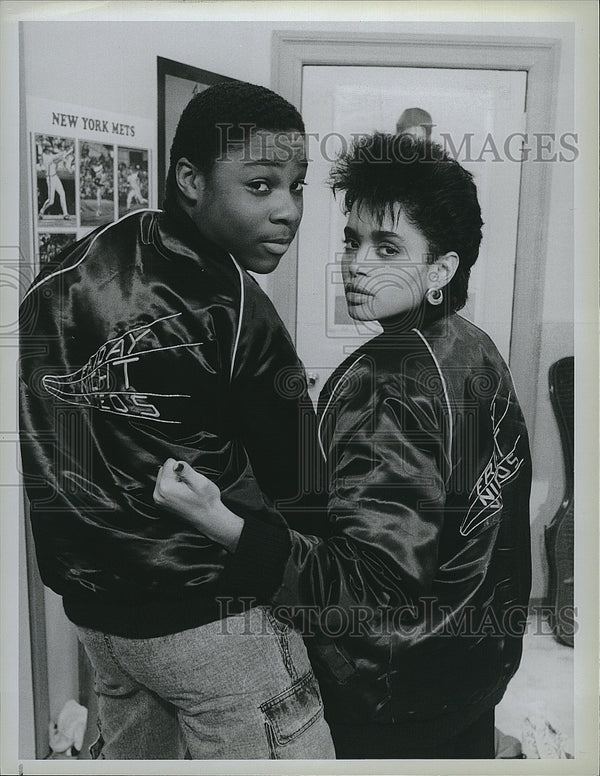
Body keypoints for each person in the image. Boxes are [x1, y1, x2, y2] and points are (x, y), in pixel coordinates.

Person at [154, 133, 533, 759]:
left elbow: (372, 592)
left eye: (387, 247)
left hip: (390, 700)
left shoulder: (385, 382)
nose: (357, 264)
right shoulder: (474, 346)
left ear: (441, 268)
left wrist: (222, 524)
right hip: (473, 671)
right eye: (351, 241)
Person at [19, 81, 335, 760]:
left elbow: (60, 450)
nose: (288, 211)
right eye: (260, 186)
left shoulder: (58, 278)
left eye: (298, 186)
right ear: (191, 179)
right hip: (211, 623)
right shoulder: (236, 306)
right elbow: (304, 487)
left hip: (100, 626)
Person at [38, 141, 73, 219]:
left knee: (62, 193)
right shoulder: (45, 157)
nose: (50, 149)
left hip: (55, 176)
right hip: (50, 178)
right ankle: (41, 211)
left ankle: (65, 214)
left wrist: (65, 154)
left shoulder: (50, 154)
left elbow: (57, 157)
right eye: (48, 148)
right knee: (51, 201)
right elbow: (55, 159)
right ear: (45, 149)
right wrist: (66, 153)